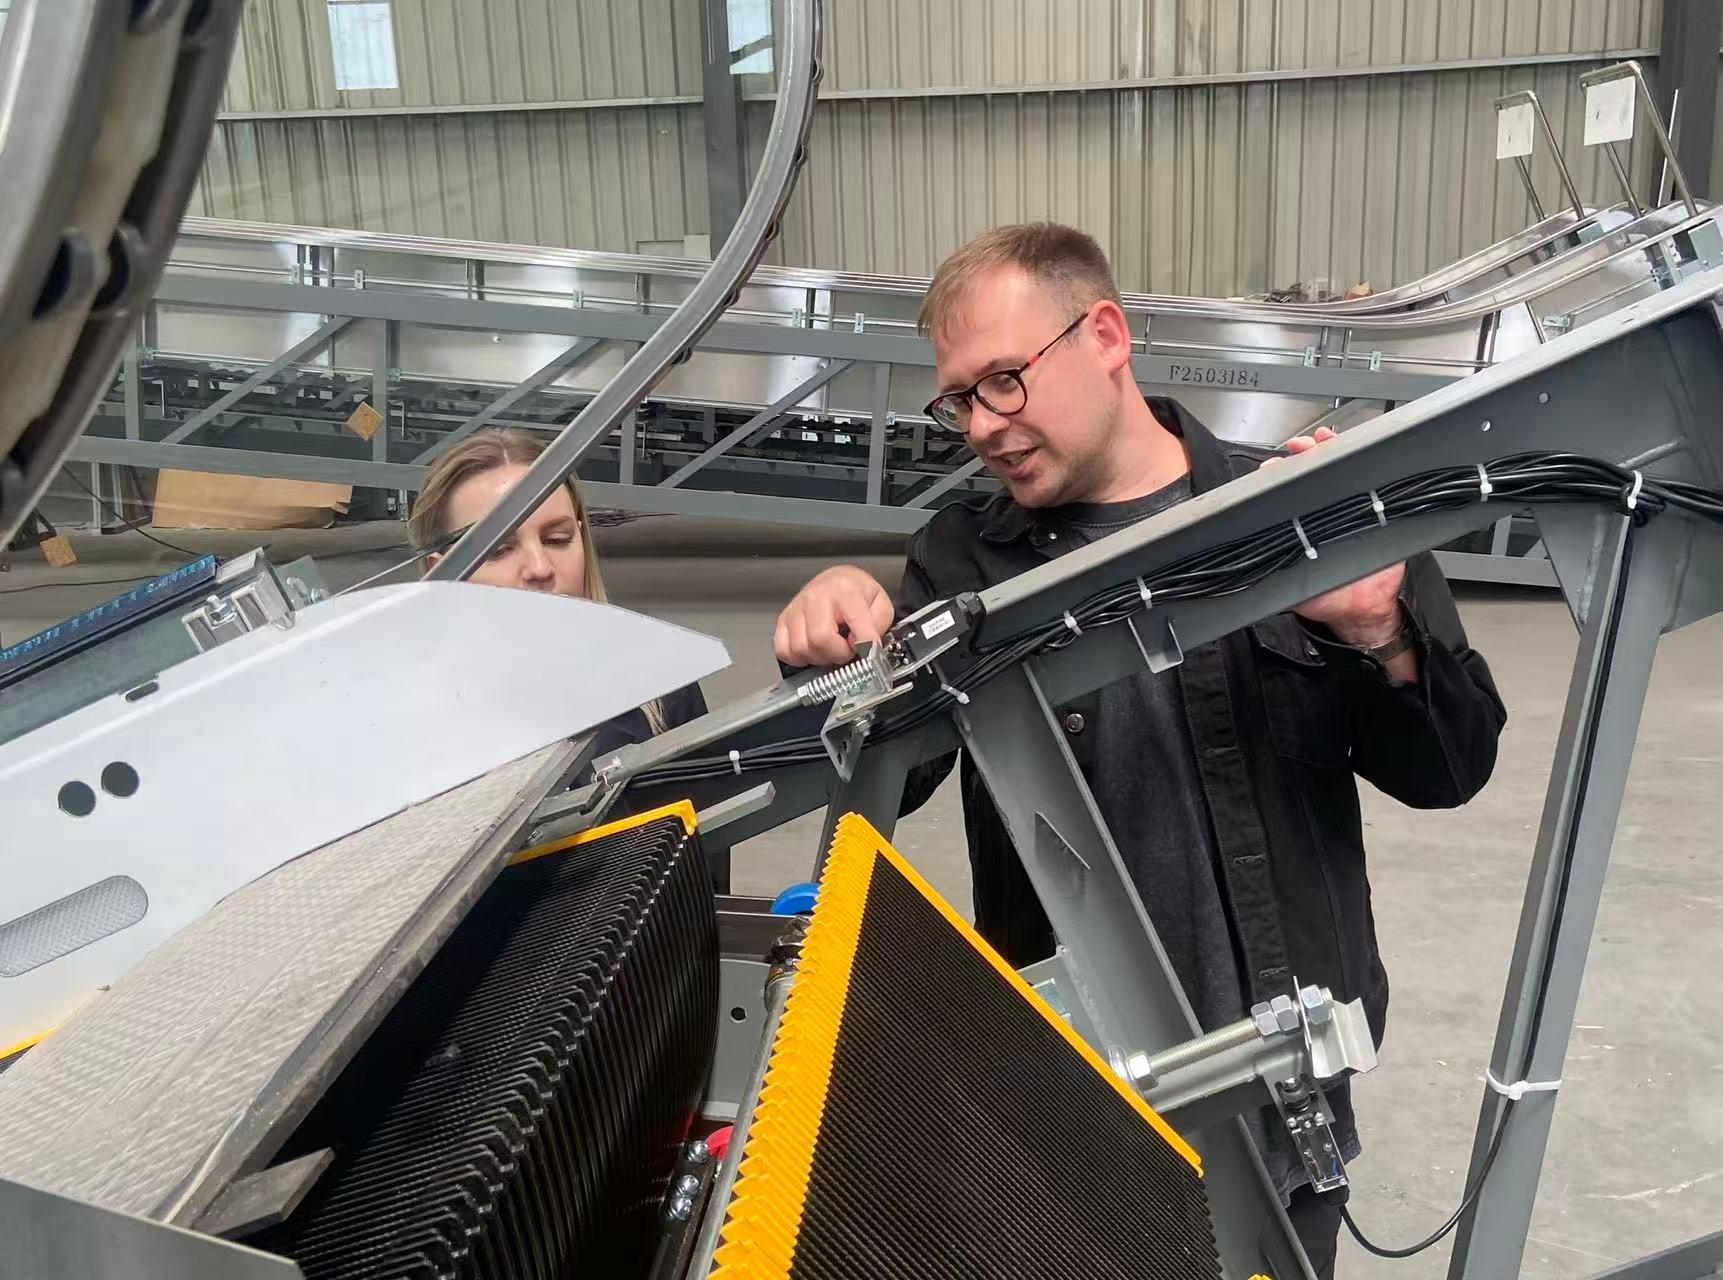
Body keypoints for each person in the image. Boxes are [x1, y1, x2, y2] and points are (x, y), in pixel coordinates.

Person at [772, 224, 1506, 1276]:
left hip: (1287, 1090)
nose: (981, 426)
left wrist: (1376, 628)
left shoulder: (1303, 509)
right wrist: (838, 640)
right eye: (958, 401)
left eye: (1004, 381)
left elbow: (1450, 767)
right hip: (1073, 1103)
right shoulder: (961, 558)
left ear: (1106, 335)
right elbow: (898, 768)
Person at [409, 426, 707, 762]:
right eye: (499, 550)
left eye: (557, 540)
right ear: (442, 574)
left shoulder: (661, 681)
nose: (540, 568)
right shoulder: (405, 723)